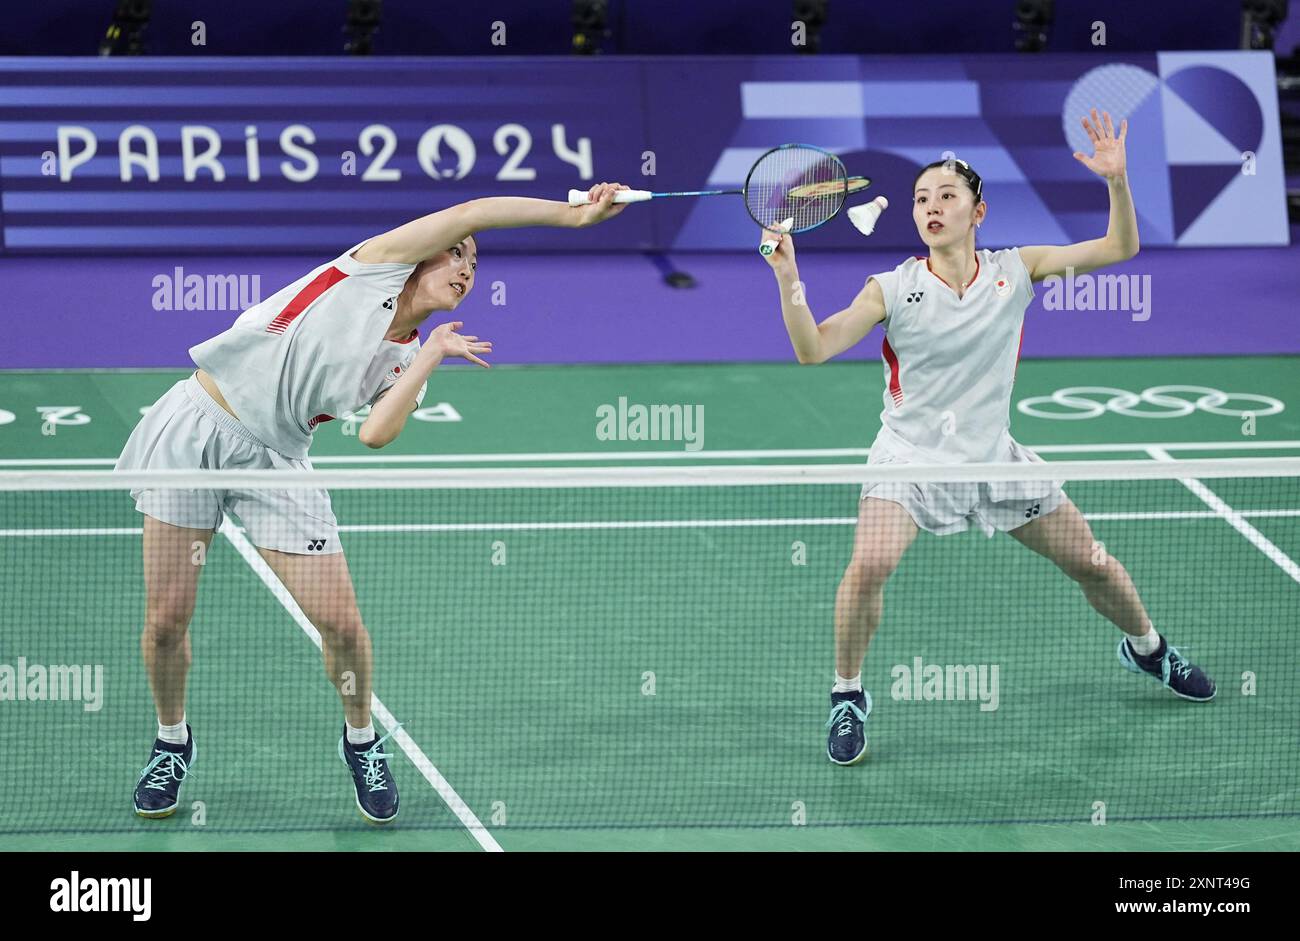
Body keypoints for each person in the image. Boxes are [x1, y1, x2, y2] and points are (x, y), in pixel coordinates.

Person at [117, 183, 630, 820]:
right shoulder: (370, 267)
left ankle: (360, 739)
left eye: (476, 265)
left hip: (277, 463)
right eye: (457, 255)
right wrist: (574, 217)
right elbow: (476, 212)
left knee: (342, 626)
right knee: (167, 620)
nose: (467, 268)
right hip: (195, 427)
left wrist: (433, 354)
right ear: (425, 254)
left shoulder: (405, 355)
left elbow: (375, 434)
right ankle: (172, 741)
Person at [760, 110, 1214, 767]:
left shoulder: (1016, 271)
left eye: (947, 195)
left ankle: (1148, 648)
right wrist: (787, 279)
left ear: (979, 211)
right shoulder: (891, 287)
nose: (931, 206)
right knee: (869, 565)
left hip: (993, 458)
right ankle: (848, 692)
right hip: (910, 462)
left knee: (1090, 561)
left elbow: (1118, 249)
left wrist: (1117, 180)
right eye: (920, 198)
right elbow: (813, 349)